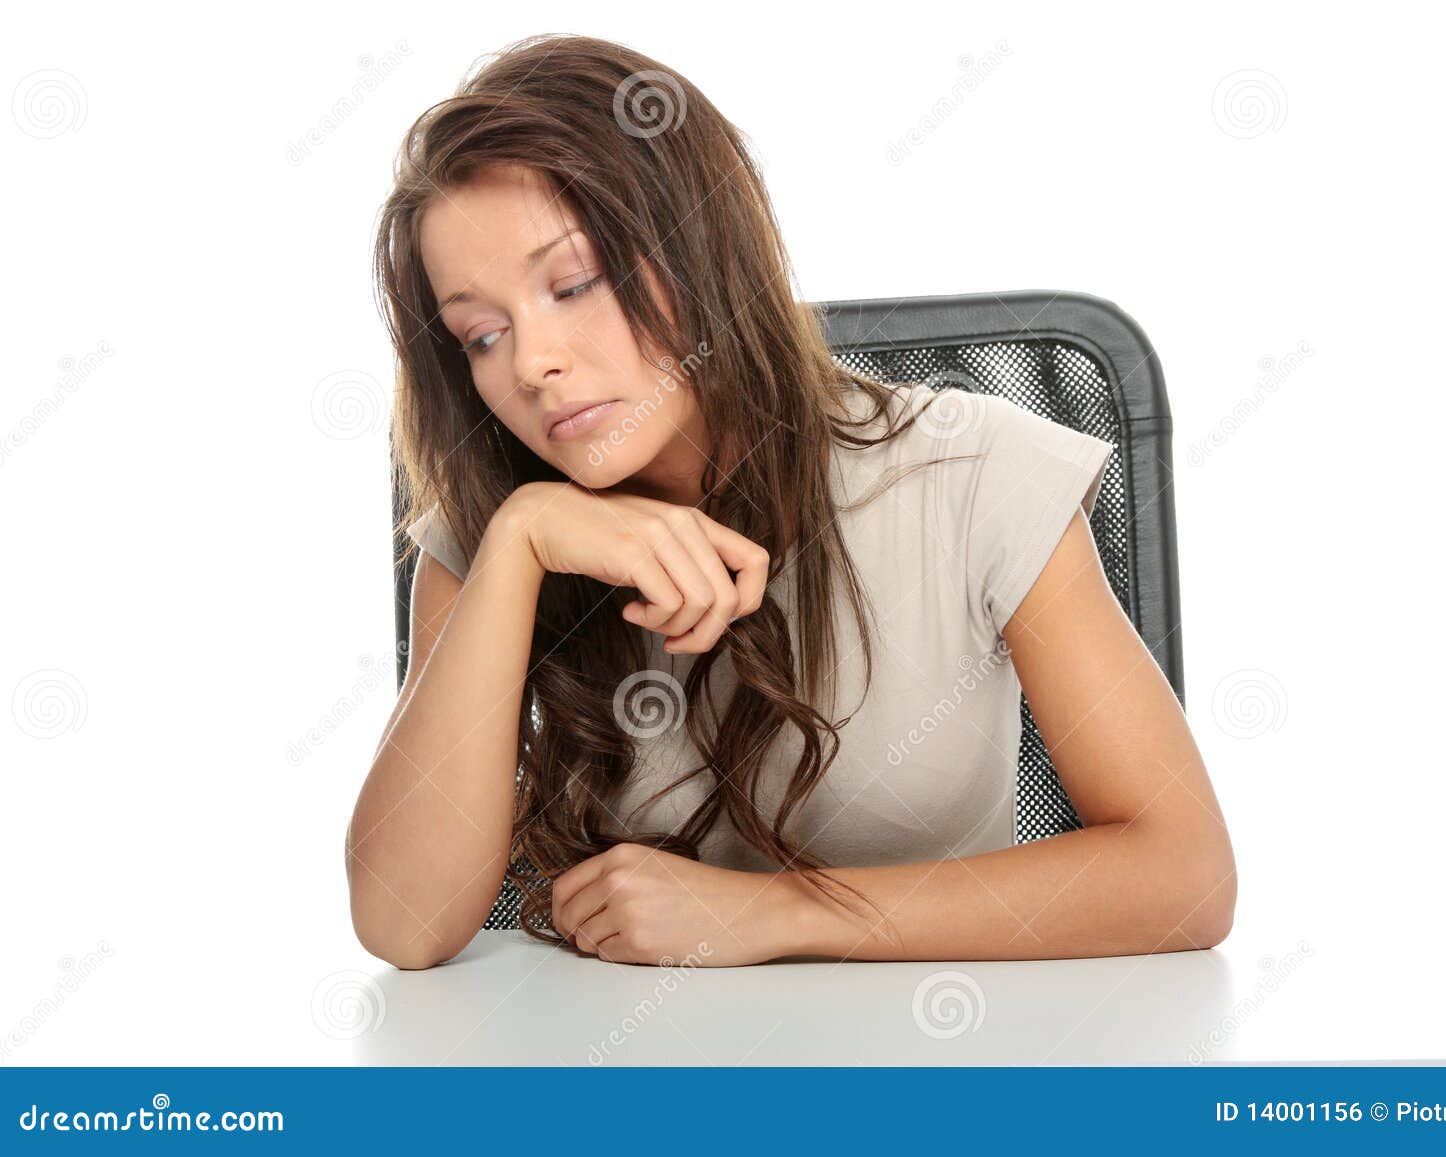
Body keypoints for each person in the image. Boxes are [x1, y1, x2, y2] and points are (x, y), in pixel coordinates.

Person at [344, 32, 1236, 970]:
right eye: (481, 335)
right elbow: (404, 922)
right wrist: (521, 541)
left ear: (700, 249)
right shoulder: (494, 524)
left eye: (572, 284)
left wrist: (779, 914)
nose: (532, 364)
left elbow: (1185, 872)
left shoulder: (970, 470)